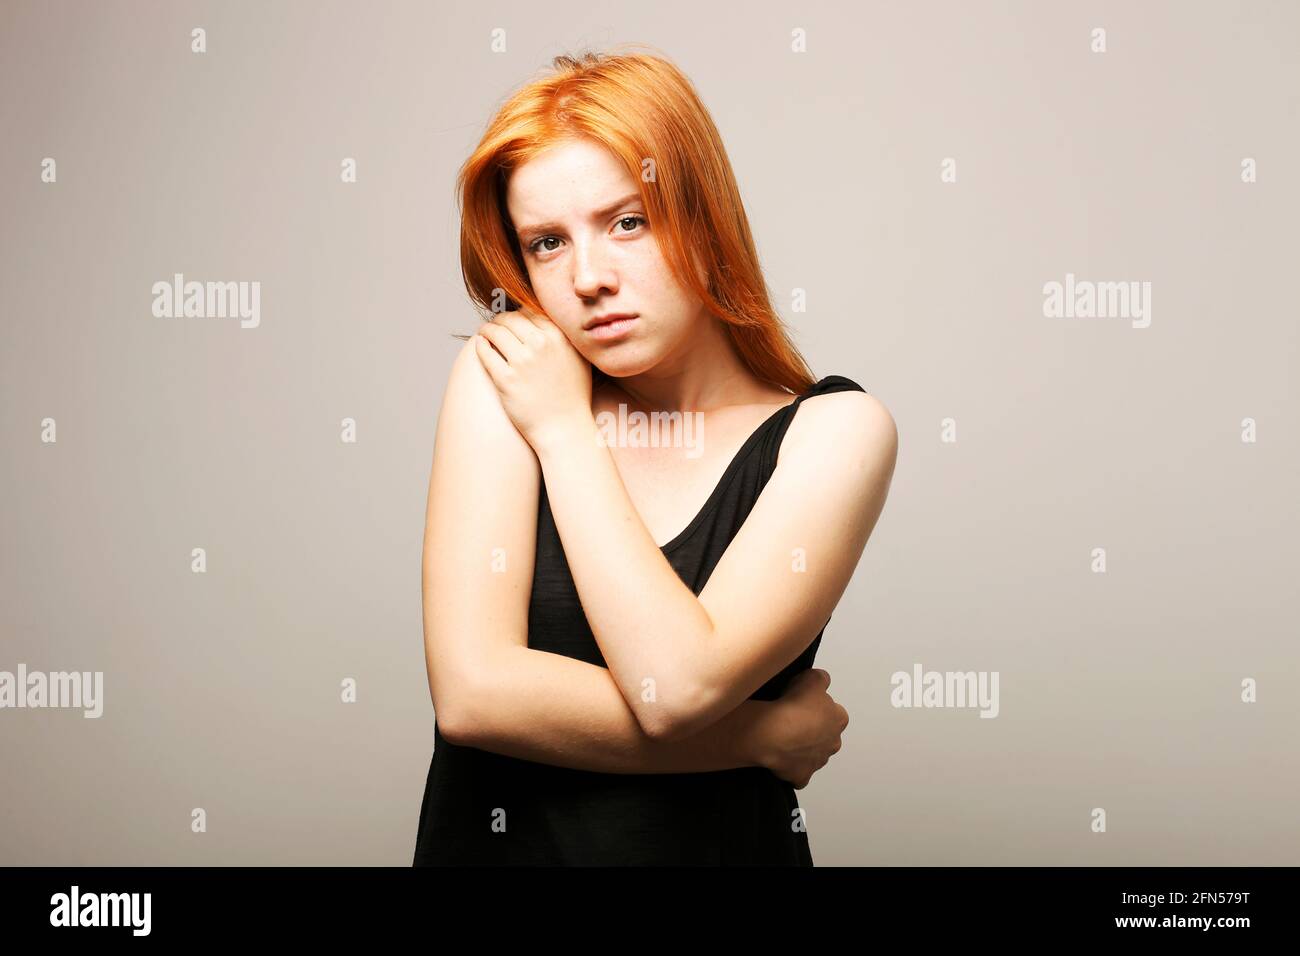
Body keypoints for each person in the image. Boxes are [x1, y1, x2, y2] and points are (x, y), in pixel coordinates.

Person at [413, 46, 897, 865]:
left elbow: (674, 687)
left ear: (705, 218)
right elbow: (475, 696)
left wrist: (565, 433)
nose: (589, 277)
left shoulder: (837, 432)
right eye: (547, 244)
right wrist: (761, 736)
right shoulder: (504, 378)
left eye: (627, 221)